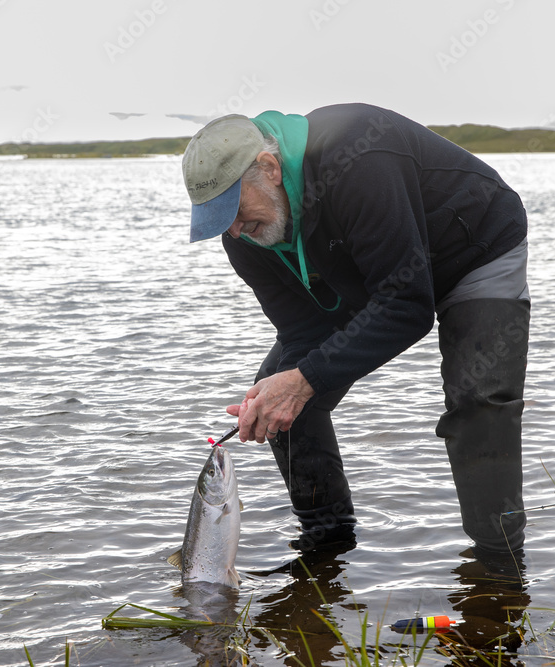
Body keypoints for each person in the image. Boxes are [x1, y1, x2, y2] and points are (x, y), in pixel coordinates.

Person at [181, 103, 529, 559]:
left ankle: (498, 567)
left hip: (473, 248)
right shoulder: (245, 237)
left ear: (268, 168)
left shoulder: (359, 157)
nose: (235, 230)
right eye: (219, 219)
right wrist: (292, 387)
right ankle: (328, 550)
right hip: (371, 272)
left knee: (479, 403)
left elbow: (407, 308)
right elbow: (303, 329)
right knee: (281, 404)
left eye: (237, 209)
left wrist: (304, 380)